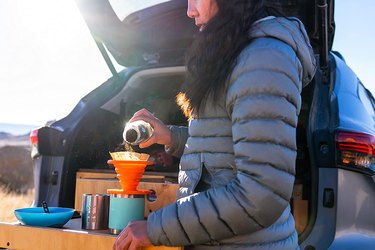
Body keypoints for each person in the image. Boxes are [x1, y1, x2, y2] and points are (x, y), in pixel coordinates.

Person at [113, 0, 316, 249]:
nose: (190, 10)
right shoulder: (241, 51)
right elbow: (225, 146)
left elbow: (260, 194)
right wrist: (170, 136)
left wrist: (157, 227)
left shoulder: (264, 57)